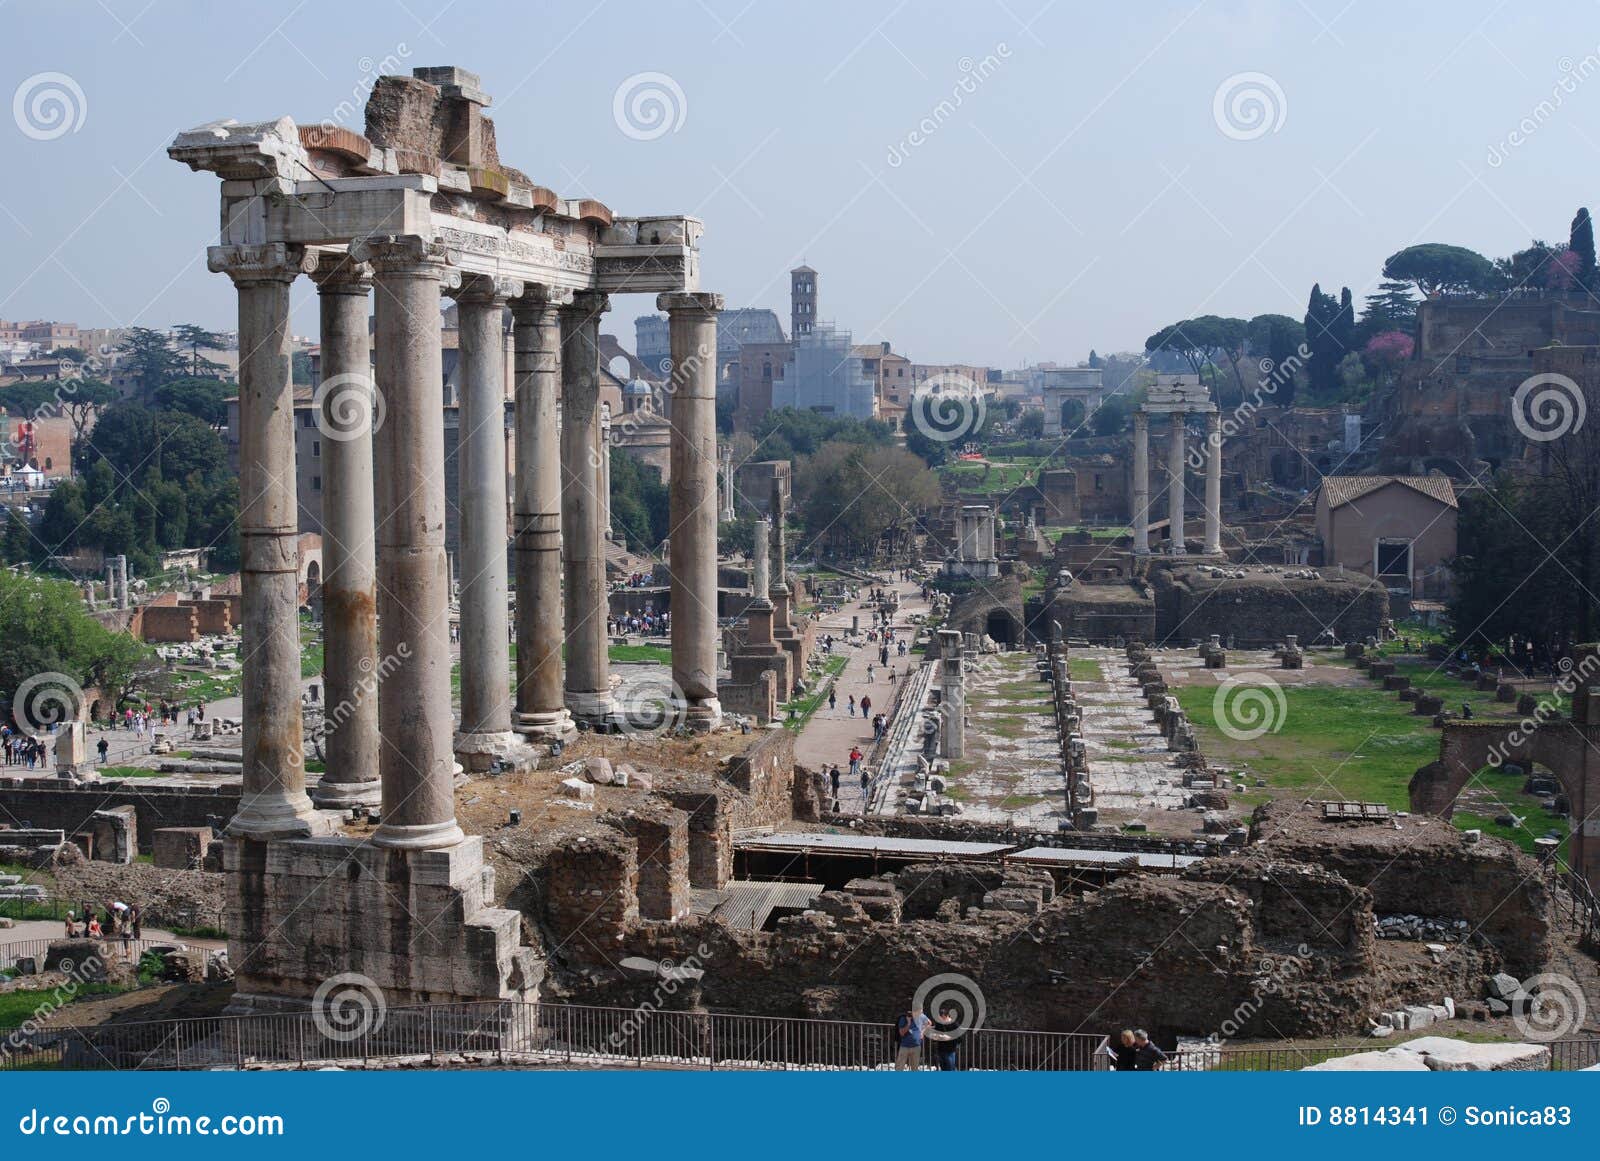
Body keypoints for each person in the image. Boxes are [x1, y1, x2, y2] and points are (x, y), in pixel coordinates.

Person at [894, 1004, 932, 1070]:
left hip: (916, 1046)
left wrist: (922, 1032)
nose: (921, 1012)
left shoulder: (921, 1016)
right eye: (920, 1011)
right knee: (899, 1068)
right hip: (905, 1046)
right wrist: (908, 1023)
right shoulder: (904, 1018)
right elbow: (901, 1033)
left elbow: (929, 1023)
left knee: (914, 1068)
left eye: (921, 1011)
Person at [929, 1005, 964, 1071]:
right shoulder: (939, 1024)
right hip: (941, 1050)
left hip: (950, 1051)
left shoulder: (954, 1024)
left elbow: (960, 1038)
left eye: (941, 1017)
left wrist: (949, 1038)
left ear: (946, 1016)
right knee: (943, 1068)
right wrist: (935, 1036)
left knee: (950, 1068)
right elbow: (935, 1034)